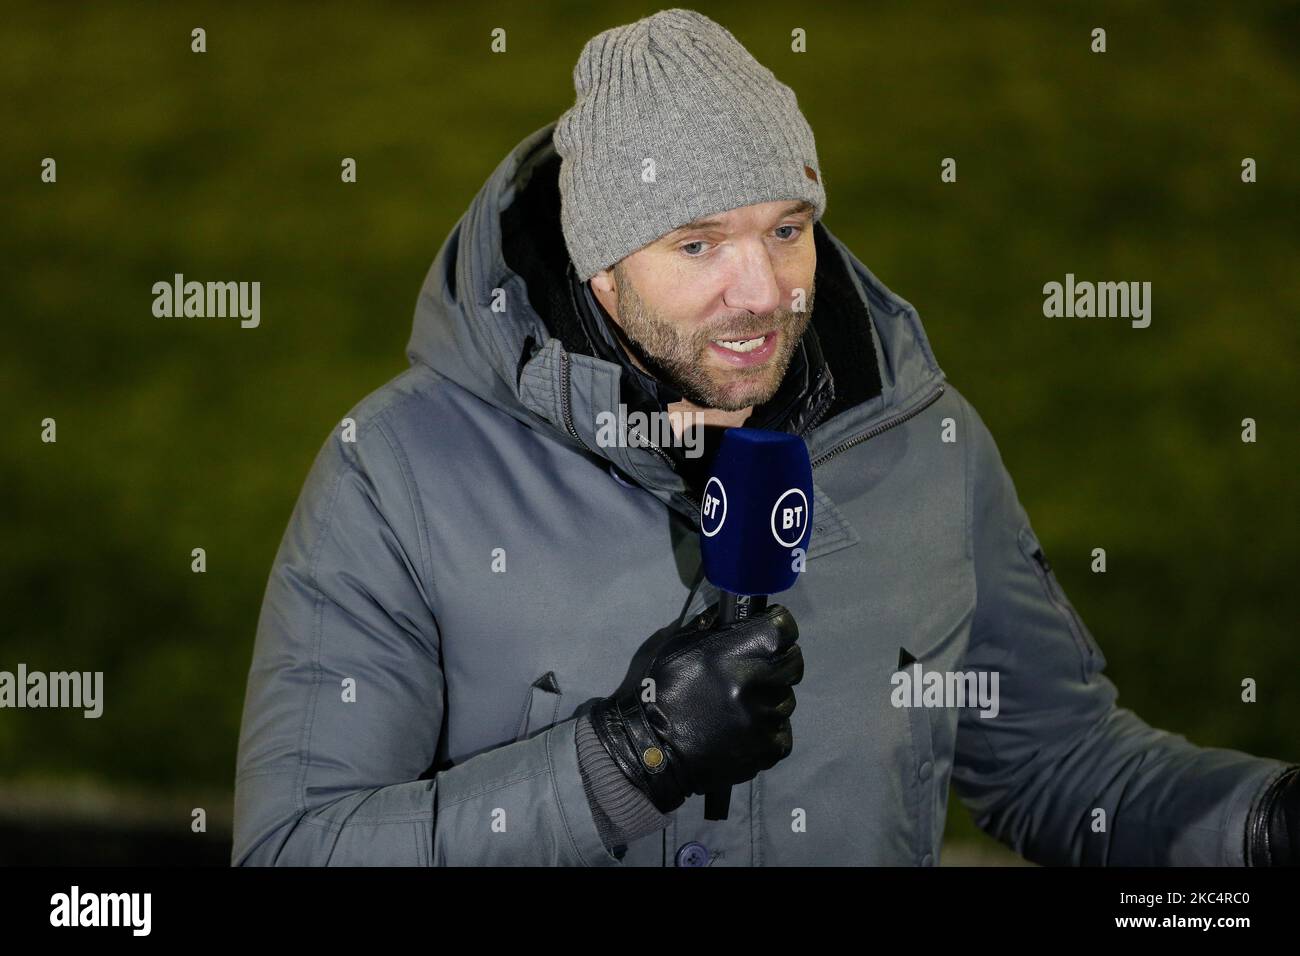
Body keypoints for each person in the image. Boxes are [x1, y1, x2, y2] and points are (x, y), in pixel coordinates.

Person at [231, 8, 1298, 866]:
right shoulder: (399, 473)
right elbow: (295, 847)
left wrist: (1263, 820)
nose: (764, 294)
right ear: (601, 263)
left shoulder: (923, 443)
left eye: (785, 229)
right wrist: (623, 758)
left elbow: (1066, 769)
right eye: (697, 244)